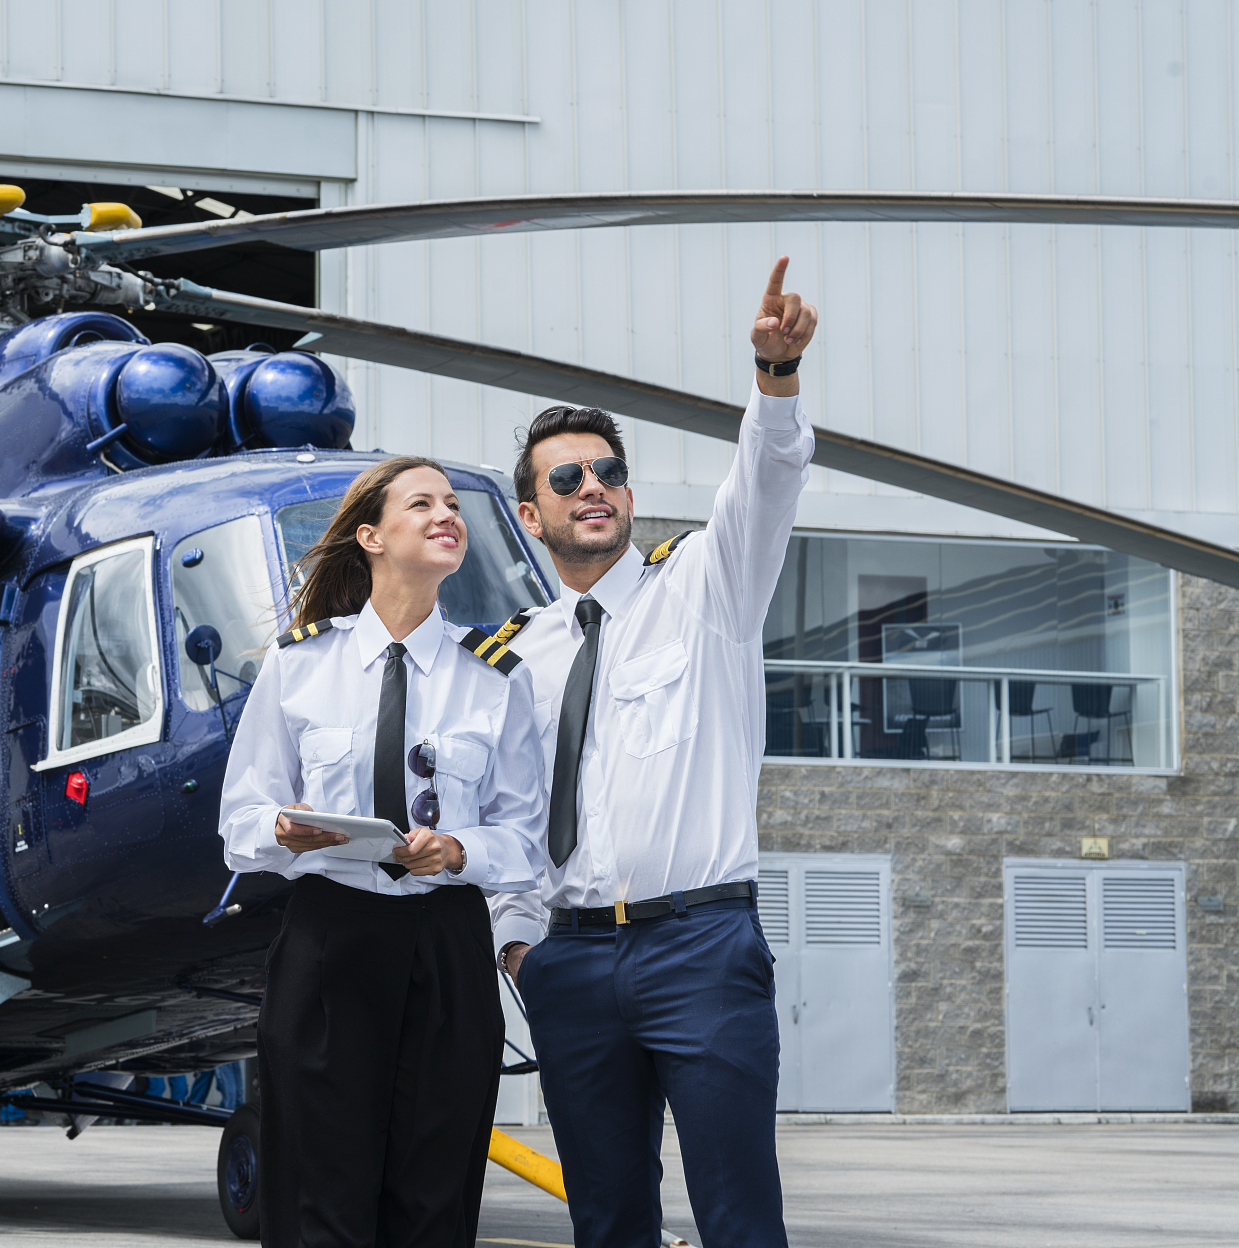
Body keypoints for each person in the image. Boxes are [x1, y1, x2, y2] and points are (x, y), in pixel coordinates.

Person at [491, 258, 818, 1248]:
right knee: (606, 1219)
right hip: (570, 960)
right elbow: (504, 812)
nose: (593, 488)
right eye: (567, 478)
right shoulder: (516, 657)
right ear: (529, 513)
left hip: (699, 951)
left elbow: (763, 482)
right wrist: (517, 945)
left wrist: (773, 379)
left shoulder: (704, 590)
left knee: (737, 1219)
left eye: (608, 472)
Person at [220, 455, 549, 1248]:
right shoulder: (299, 667)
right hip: (330, 936)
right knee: (318, 1192)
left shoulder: (495, 677)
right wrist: (285, 830)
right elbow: (240, 820)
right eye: (422, 503)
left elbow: (527, 840)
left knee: (435, 1192)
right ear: (370, 535)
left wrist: (460, 850)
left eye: (453, 505)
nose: (448, 515)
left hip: (445, 941)